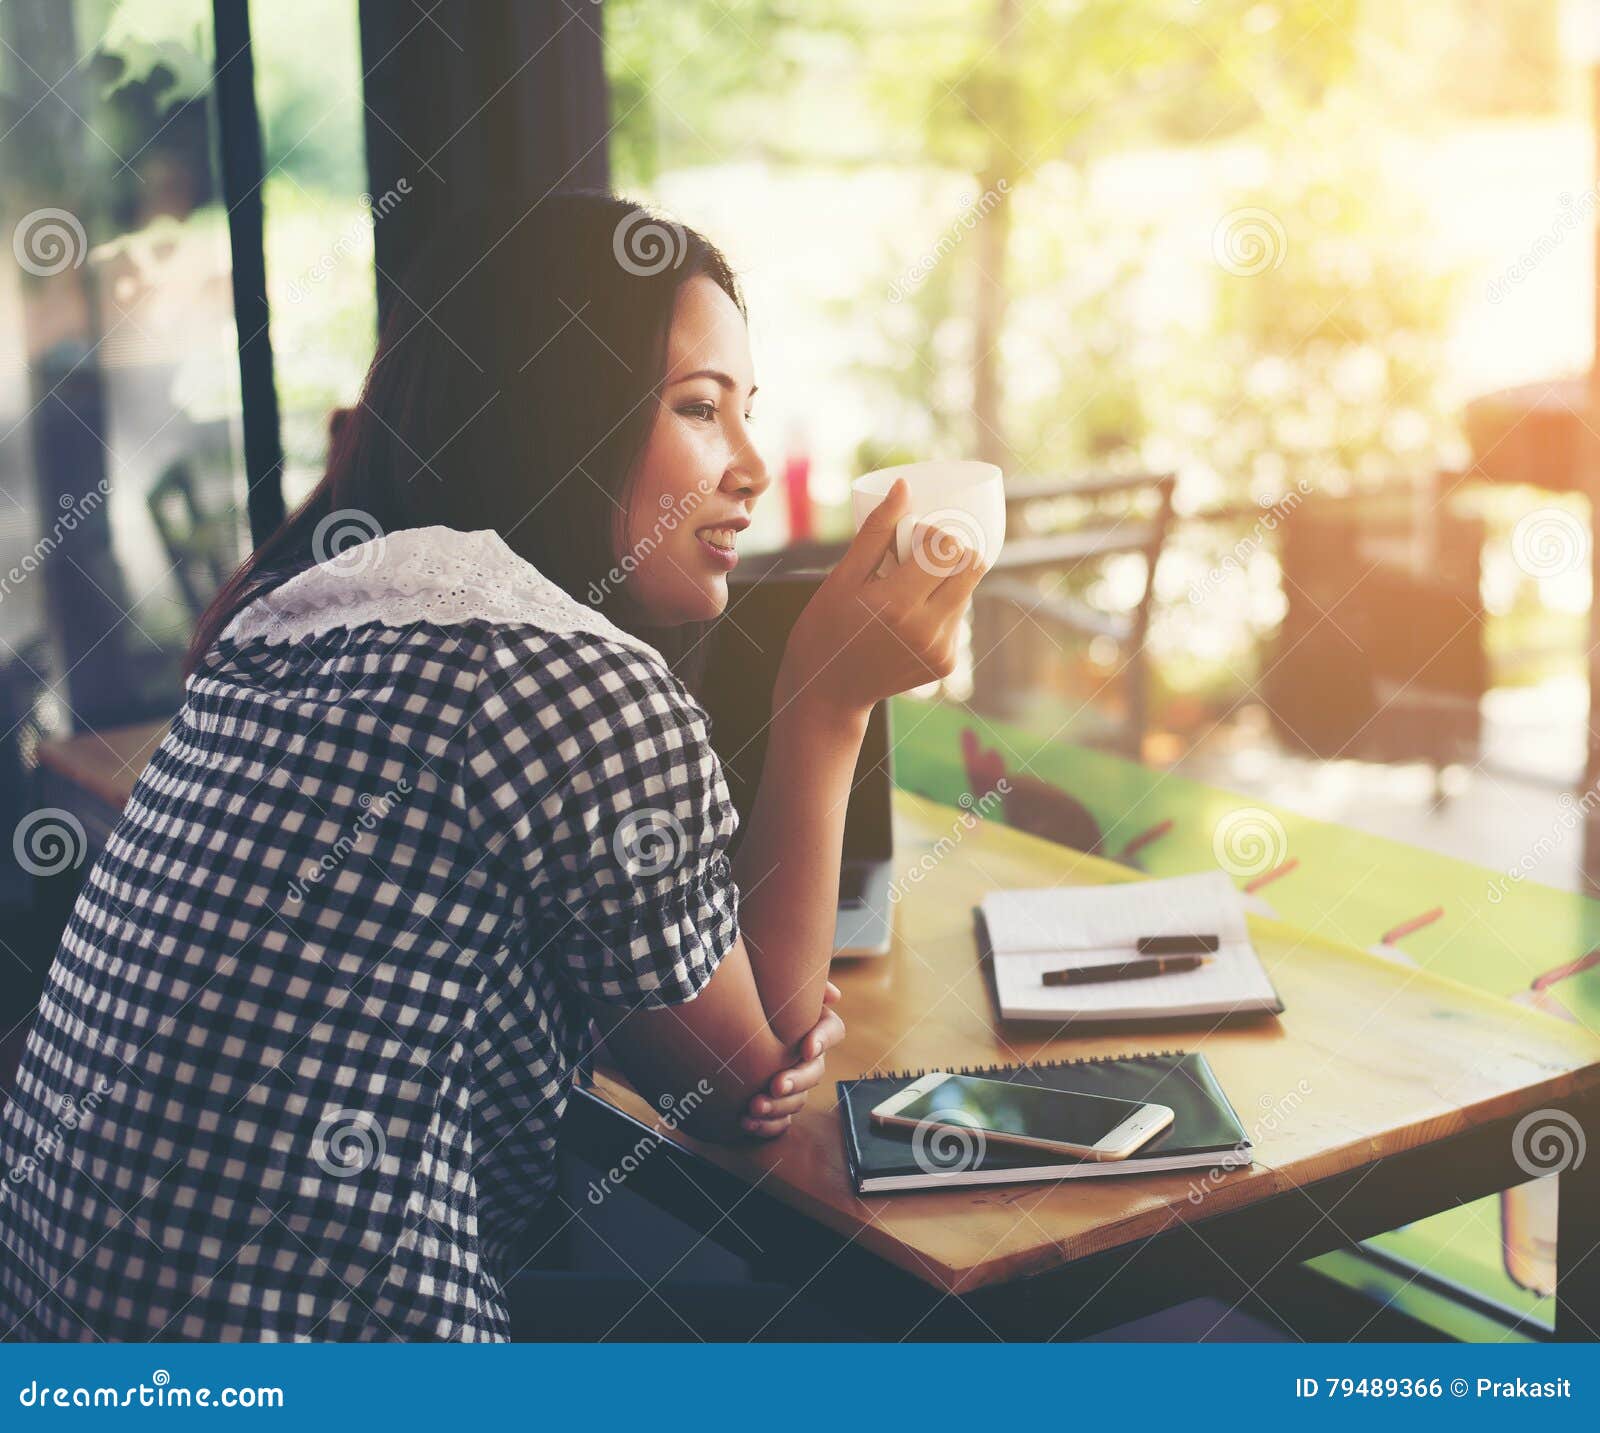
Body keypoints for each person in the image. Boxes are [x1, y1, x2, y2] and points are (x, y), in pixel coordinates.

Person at [0, 192, 983, 1341]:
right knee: (892, 1351)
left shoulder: (294, 620)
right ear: (559, 412)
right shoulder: (556, 677)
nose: (753, 465)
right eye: (701, 409)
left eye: (746, 411)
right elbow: (736, 1093)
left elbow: (677, 1033)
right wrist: (826, 700)